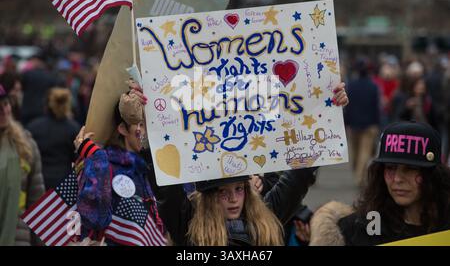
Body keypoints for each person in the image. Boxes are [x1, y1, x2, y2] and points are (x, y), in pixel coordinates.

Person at [146, 83, 349, 246]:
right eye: (223, 193)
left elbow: (299, 177)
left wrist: (328, 110)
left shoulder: (266, 215)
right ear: (209, 196)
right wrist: (149, 116)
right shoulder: (189, 225)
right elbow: (165, 182)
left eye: (239, 189)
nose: (233, 199)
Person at [309, 121, 450, 245]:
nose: (397, 179)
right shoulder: (359, 229)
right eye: (390, 168)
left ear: (433, 175)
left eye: (410, 169)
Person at [73, 90, 166, 245]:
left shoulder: (142, 167)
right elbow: (96, 218)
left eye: (145, 125)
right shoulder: (104, 164)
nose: (143, 132)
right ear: (122, 129)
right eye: (139, 125)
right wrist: (96, 158)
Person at [0, 83, 45, 245]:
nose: (4, 111)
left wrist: (40, 241)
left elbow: (36, 201)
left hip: (18, 235)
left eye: (6, 104)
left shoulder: (25, 145)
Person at [27, 88, 80, 190]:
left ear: (46, 105)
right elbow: (77, 157)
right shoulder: (73, 128)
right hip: (63, 182)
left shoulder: (33, 127)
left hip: (39, 180)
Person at [344, 58, 381, 186]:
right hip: (369, 124)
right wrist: (377, 123)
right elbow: (376, 107)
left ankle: (357, 172)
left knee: (354, 151)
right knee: (364, 152)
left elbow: (347, 106)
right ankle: (360, 176)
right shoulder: (374, 86)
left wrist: (346, 123)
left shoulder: (351, 86)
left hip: (353, 124)